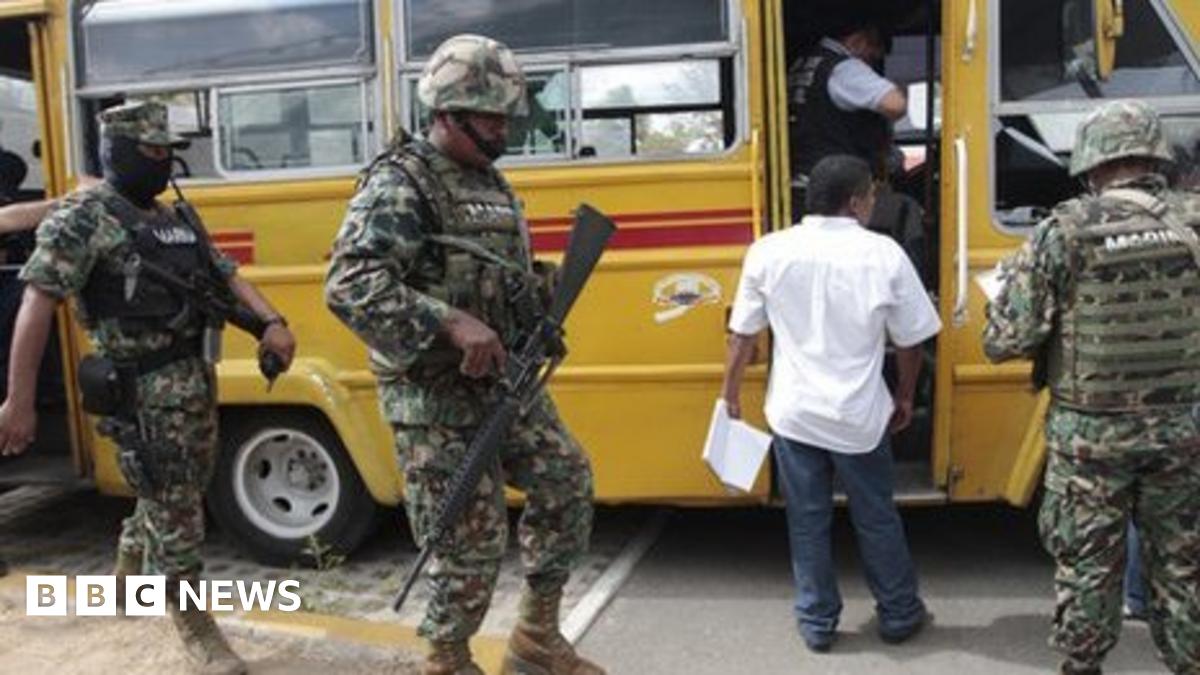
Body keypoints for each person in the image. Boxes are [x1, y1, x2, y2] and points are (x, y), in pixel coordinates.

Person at [325, 34, 602, 675]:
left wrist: (540, 303)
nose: (505, 128)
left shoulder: (491, 183)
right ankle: (447, 659)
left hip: (506, 381)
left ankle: (535, 636)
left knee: (566, 481)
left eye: (508, 115)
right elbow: (349, 286)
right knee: (469, 540)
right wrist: (448, 322)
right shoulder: (401, 184)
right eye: (491, 117)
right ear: (448, 115)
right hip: (435, 396)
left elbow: (497, 274)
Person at [0, 101, 296, 675]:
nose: (162, 162)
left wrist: (273, 322)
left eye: (168, 152)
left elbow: (225, 274)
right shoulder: (83, 218)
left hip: (192, 380)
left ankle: (125, 573)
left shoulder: (174, 219)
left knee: (173, 488)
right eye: (151, 152)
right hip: (141, 387)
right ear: (118, 153)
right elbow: (38, 303)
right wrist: (19, 401)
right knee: (177, 503)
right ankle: (194, 626)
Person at [983, 99, 1200, 675]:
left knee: (1088, 568)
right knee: (1183, 565)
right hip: (1184, 432)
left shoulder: (1065, 231)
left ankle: (1083, 667)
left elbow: (1006, 339)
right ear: (1155, 156)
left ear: (1091, 164)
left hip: (1090, 440)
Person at [721, 154, 941, 653]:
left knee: (807, 518)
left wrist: (730, 393)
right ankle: (900, 613)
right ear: (856, 201)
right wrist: (905, 395)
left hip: (795, 415)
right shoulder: (882, 254)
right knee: (876, 515)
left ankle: (817, 622)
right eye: (869, 196)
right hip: (860, 417)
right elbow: (912, 341)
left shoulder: (768, 251)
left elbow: (742, 336)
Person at [788, 19, 926, 278]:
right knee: (905, 210)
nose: (871, 63)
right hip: (839, 193)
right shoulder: (843, 68)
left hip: (802, 188)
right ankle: (912, 290)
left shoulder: (802, 65)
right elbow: (895, 105)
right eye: (872, 55)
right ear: (858, 40)